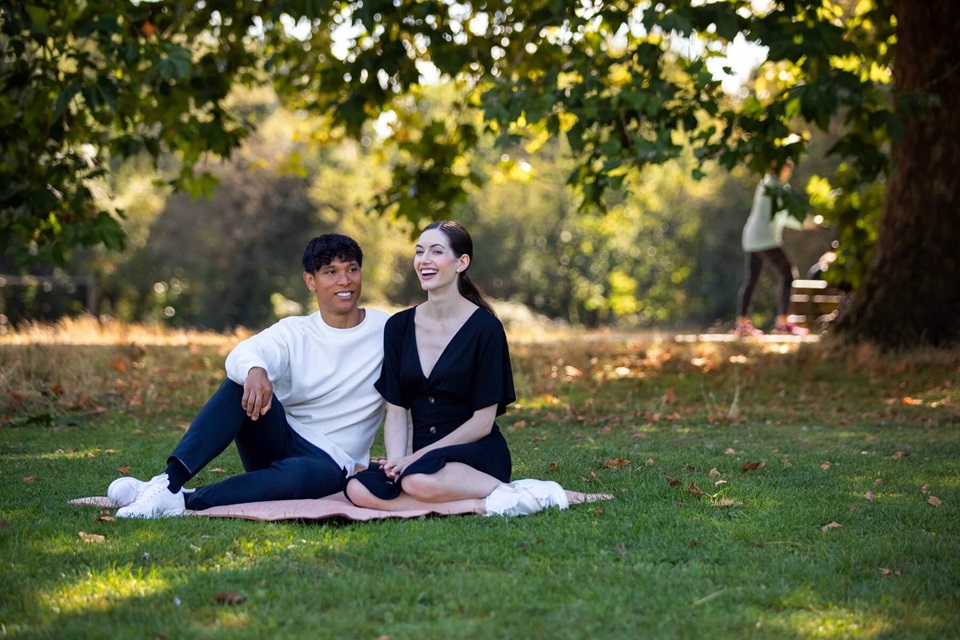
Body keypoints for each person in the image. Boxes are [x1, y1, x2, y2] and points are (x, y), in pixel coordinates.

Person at [107, 233, 389, 518]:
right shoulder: (294, 330)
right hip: (281, 438)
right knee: (240, 382)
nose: (345, 281)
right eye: (331, 272)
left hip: (331, 461)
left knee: (301, 476)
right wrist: (256, 370)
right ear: (310, 281)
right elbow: (245, 352)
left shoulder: (388, 330)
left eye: (352, 269)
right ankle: (170, 481)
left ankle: (177, 498)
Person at [344, 221, 568, 517]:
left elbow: (482, 423)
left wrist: (416, 459)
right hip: (419, 461)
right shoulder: (397, 326)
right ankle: (486, 503)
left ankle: (497, 489)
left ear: (461, 262)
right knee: (357, 488)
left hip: (474, 453)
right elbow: (397, 412)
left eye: (436, 252)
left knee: (419, 480)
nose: (424, 260)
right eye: (419, 251)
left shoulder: (485, 328)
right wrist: (397, 464)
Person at [735, 159, 817, 337]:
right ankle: (783, 322)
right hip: (765, 239)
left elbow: (781, 216)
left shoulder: (765, 184)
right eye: (787, 168)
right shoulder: (777, 188)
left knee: (752, 279)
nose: (789, 172)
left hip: (751, 238)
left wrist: (805, 224)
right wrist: (808, 223)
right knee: (788, 274)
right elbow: (787, 214)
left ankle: (741, 323)